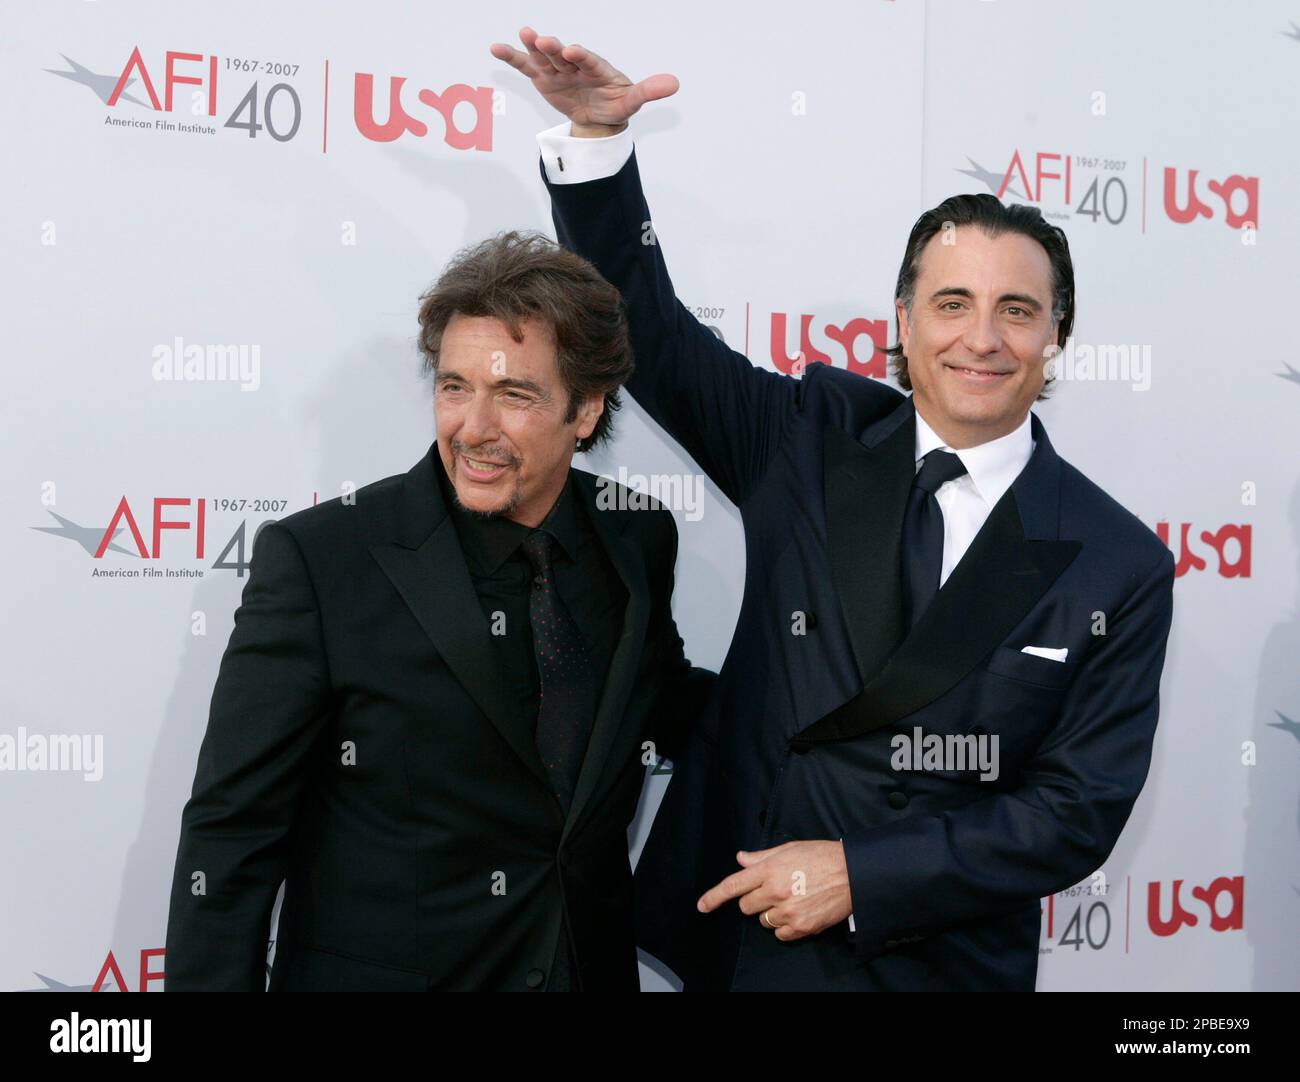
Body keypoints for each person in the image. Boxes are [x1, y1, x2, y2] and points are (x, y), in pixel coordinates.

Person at [492, 28, 1177, 991]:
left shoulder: (1118, 561)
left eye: (1017, 311)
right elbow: (652, 332)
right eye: (951, 303)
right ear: (902, 320)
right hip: (746, 949)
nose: (981, 338)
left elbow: (1073, 810)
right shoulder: (807, 440)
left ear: (1056, 334)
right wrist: (601, 150)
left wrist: (861, 876)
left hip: (941, 966)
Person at [164, 229, 712, 991]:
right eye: (455, 387)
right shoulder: (325, 563)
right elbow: (233, 837)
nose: (473, 428)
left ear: (585, 411)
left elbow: (659, 697)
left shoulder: (636, 536)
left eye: (514, 394)